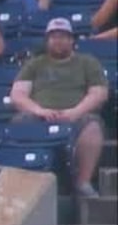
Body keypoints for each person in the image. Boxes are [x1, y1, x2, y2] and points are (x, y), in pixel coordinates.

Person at [10, 17, 110, 198]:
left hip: (77, 115)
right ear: (47, 40)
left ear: (72, 40)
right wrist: (40, 110)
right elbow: (18, 95)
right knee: (19, 122)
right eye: (54, 37)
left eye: (63, 36)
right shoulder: (35, 64)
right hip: (40, 116)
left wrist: (75, 112)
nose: (59, 40)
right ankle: (22, 181)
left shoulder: (87, 62)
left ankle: (83, 182)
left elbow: (99, 93)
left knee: (93, 127)